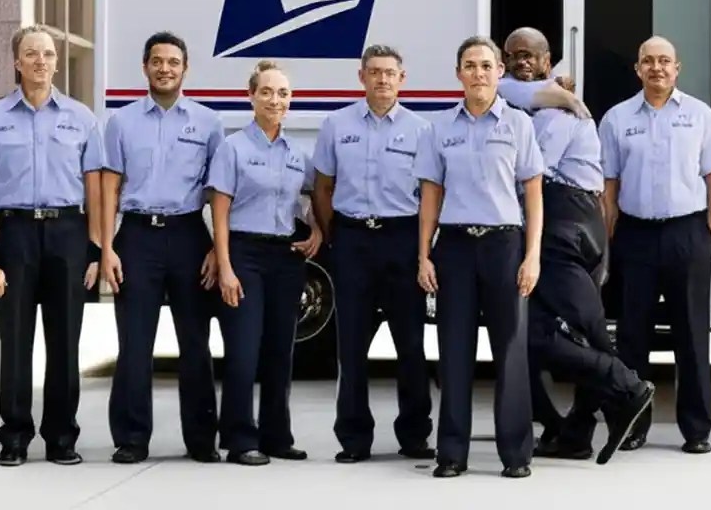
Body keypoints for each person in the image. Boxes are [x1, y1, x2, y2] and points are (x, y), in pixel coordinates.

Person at [499, 27, 655, 465]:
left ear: (547, 62)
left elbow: (527, 172)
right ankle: (574, 432)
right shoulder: (533, 103)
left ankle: (628, 393)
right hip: (565, 222)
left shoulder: (557, 112)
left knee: (571, 332)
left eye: (530, 55)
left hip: (563, 224)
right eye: (513, 55)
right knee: (545, 334)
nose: (521, 62)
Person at [0, 26, 104, 467]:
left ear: (57, 62)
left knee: (65, 341)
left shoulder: (82, 118)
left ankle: (61, 436)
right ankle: (15, 435)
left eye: (47, 53)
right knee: (14, 340)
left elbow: (96, 190)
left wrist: (96, 249)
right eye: (31, 54)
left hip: (68, 234)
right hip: (15, 235)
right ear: (17, 62)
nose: (40, 60)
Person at [414, 35, 544, 479]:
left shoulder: (519, 125)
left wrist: (532, 256)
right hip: (454, 247)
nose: (478, 73)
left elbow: (533, 194)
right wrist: (424, 255)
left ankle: (516, 454)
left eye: (486, 66)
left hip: (503, 246)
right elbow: (430, 196)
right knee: (454, 351)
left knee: (510, 351)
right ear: (458, 74)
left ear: (499, 72)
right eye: (470, 66)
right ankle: (451, 453)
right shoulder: (439, 129)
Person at [598, 35, 711, 455]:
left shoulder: (699, 114)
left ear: (677, 69)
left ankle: (696, 429)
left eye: (664, 61)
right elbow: (609, 184)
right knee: (632, 335)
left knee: (691, 333)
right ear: (637, 69)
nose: (656, 68)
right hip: (635, 235)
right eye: (648, 61)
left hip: (687, 233)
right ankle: (633, 425)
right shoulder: (617, 119)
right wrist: (608, 234)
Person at [101, 32, 224, 464]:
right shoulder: (121, 122)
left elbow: (218, 192)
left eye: (173, 62)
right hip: (136, 238)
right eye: (157, 61)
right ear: (145, 67)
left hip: (189, 236)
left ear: (185, 68)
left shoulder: (208, 123)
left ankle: (202, 439)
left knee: (195, 343)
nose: (165, 69)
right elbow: (109, 187)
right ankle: (132, 438)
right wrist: (106, 248)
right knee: (135, 344)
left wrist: (217, 249)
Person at [311, 44, 435, 463]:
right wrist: (335, 237)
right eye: (375, 72)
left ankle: (415, 435)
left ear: (402, 79)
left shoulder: (422, 131)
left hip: (402, 239)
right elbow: (323, 188)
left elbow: (430, 195)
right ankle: (353, 438)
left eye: (390, 73)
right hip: (352, 241)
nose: (382, 79)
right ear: (361, 77)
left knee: (411, 344)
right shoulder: (336, 125)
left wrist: (422, 250)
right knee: (350, 346)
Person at [206, 59, 322, 466]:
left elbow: (309, 199)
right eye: (267, 92)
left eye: (283, 93)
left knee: (279, 350)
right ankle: (240, 439)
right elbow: (219, 211)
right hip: (244, 254)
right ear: (251, 96)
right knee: (243, 350)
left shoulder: (296, 154)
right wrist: (225, 266)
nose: (276, 100)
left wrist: (317, 231)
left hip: (285, 258)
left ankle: (276, 437)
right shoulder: (233, 148)